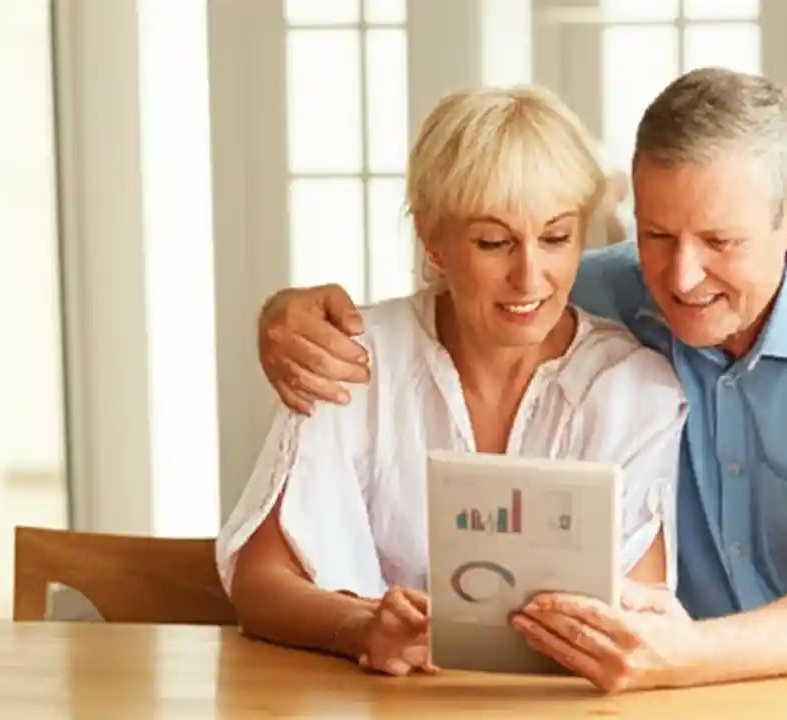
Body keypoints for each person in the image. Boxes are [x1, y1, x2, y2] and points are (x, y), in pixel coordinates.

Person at [257, 68, 787, 693]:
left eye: (720, 241)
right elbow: (471, 291)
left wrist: (691, 652)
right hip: (674, 694)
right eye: (656, 235)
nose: (682, 277)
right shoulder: (603, 291)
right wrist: (285, 319)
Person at [219, 85, 686, 678]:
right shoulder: (354, 359)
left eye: (557, 237)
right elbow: (260, 583)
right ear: (431, 238)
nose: (529, 275)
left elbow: (631, 622)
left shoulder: (633, 390)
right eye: (493, 242)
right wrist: (363, 630)